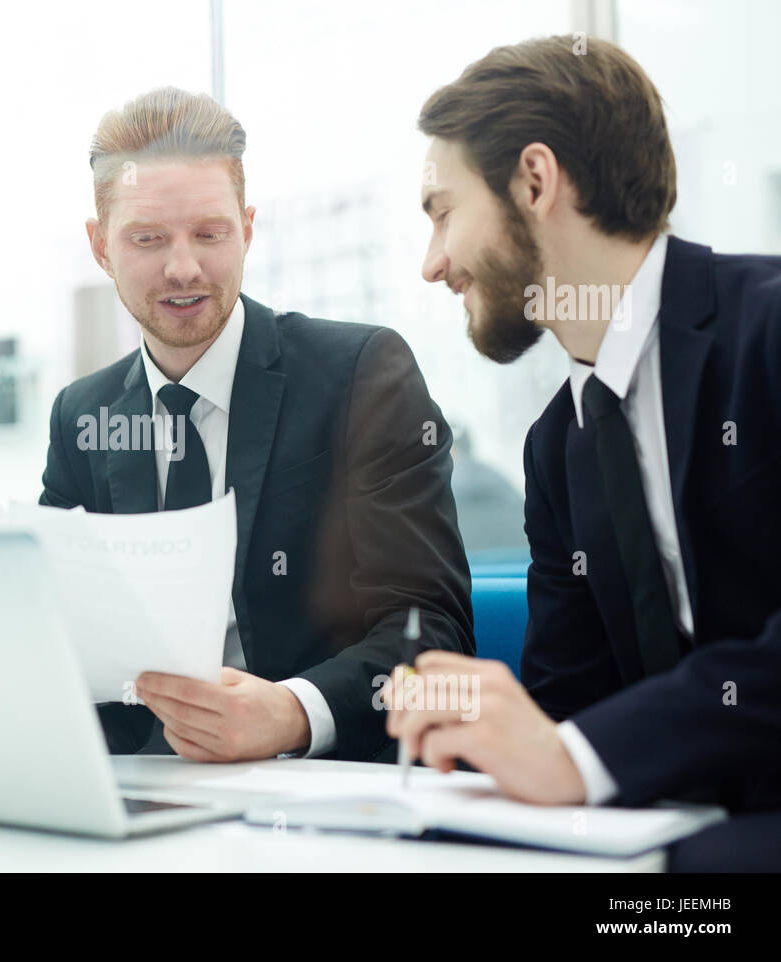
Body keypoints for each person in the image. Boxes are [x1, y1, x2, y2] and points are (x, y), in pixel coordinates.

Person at [388, 35, 781, 870]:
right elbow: (574, 703)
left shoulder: (770, 332)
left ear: (535, 180)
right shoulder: (559, 446)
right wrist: (484, 737)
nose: (433, 265)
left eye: (442, 211)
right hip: (675, 829)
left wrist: (574, 758)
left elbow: (586, 750)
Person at [40, 87, 473, 762]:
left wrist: (293, 712)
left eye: (210, 234)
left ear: (247, 227)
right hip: (142, 793)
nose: (183, 267)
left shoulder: (360, 374)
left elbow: (434, 633)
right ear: (100, 247)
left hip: (321, 791)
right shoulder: (81, 417)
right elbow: (58, 637)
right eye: (148, 238)